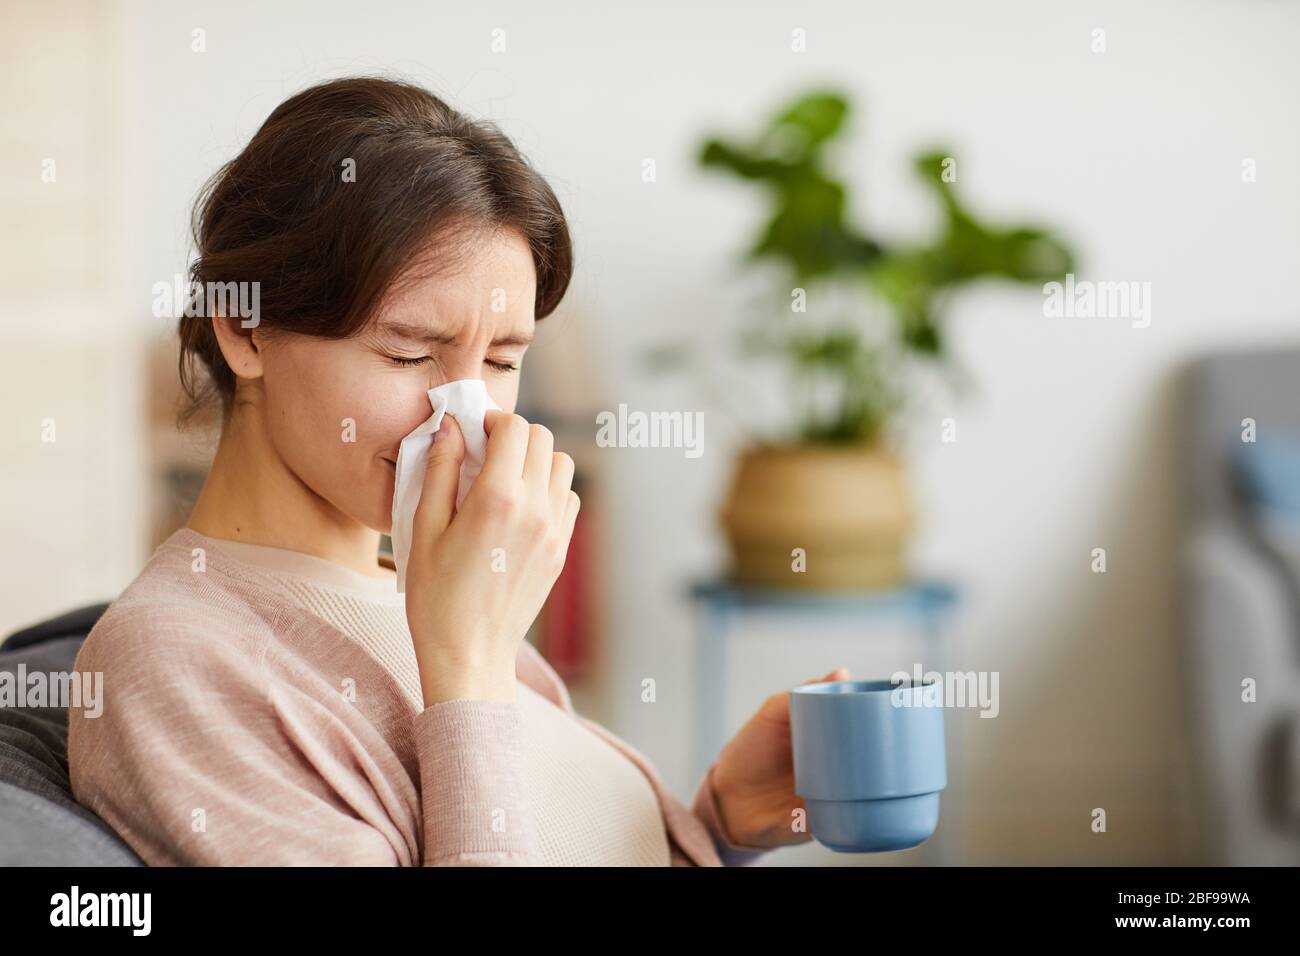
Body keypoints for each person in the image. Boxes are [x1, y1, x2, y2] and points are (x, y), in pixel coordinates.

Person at [68, 75, 848, 866]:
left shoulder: (425, 586)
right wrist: (467, 667)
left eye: (503, 361)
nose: (463, 417)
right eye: (408, 353)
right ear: (245, 331)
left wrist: (714, 828)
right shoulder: (176, 662)